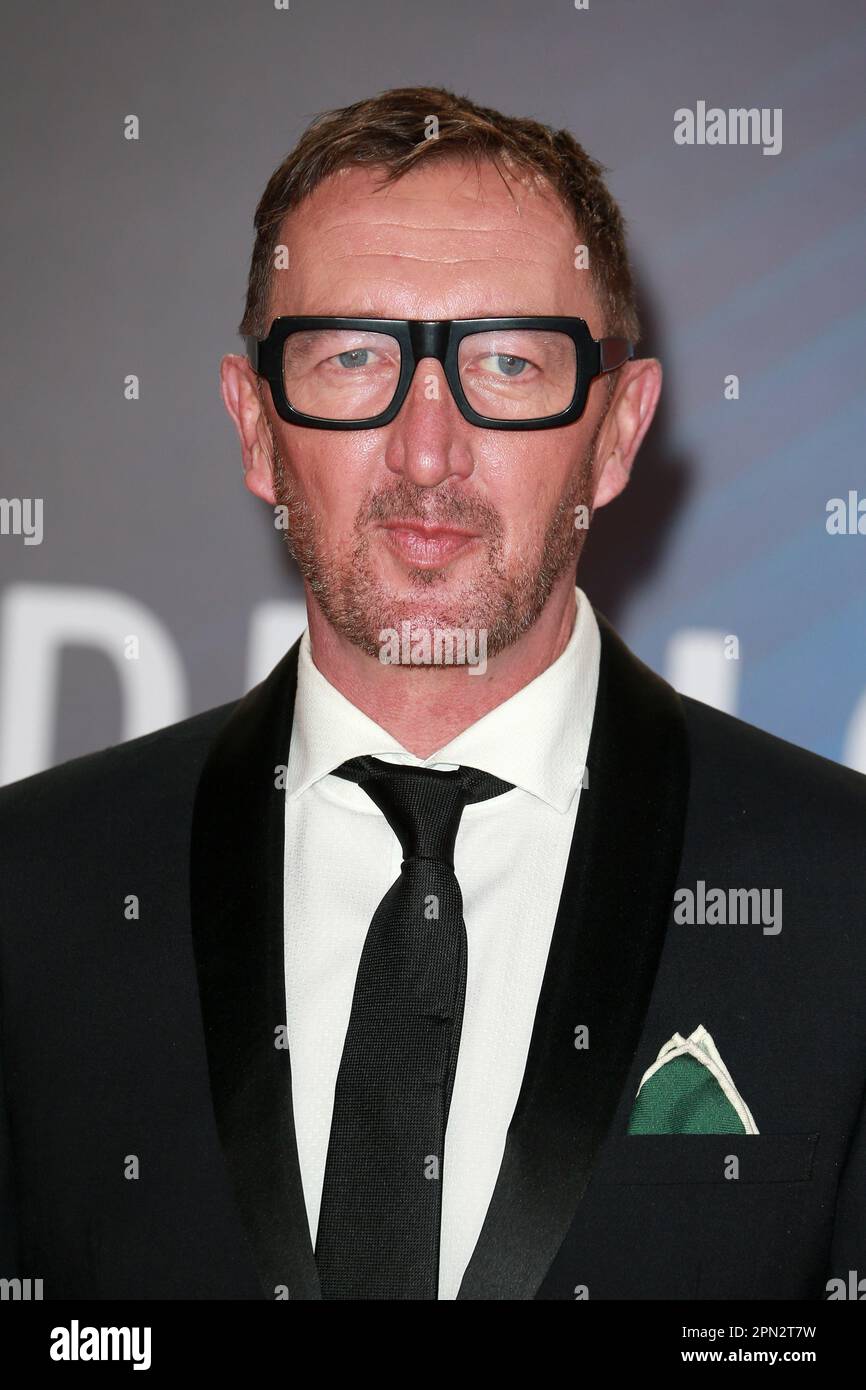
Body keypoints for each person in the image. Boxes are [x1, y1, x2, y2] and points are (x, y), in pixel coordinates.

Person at [1, 86, 864, 1302]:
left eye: (506, 363)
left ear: (615, 433)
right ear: (254, 428)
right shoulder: (32, 889)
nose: (425, 449)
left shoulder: (844, 897)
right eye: (353, 357)